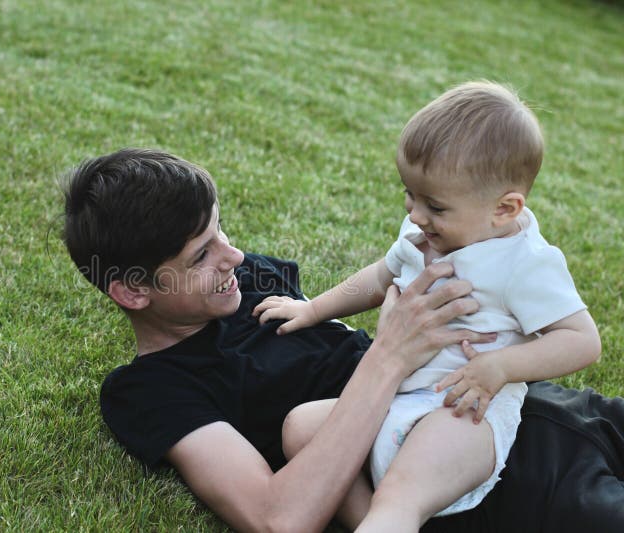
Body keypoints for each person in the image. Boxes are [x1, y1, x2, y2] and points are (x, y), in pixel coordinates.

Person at [62, 147, 624, 532]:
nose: (234, 255)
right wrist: (389, 355)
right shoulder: (152, 390)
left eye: (220, 230)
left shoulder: (247, 280)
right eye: (201, 255)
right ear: (133, 291)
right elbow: (277, 519)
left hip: (542, 404)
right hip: (485, 478)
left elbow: (374, 284)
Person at [253, 81, 601, 531]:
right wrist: (314, 309)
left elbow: (581, 340)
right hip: (396, 400)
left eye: (434, 205)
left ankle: (390, 517)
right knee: (300, 428)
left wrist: (500, 367)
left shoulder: (525, 263)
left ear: (504, 208)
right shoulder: (423, 232)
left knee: (400, 496)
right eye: (410, 194)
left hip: (462, 413)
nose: (415, 214)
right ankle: (371, 520)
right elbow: (381, 277)